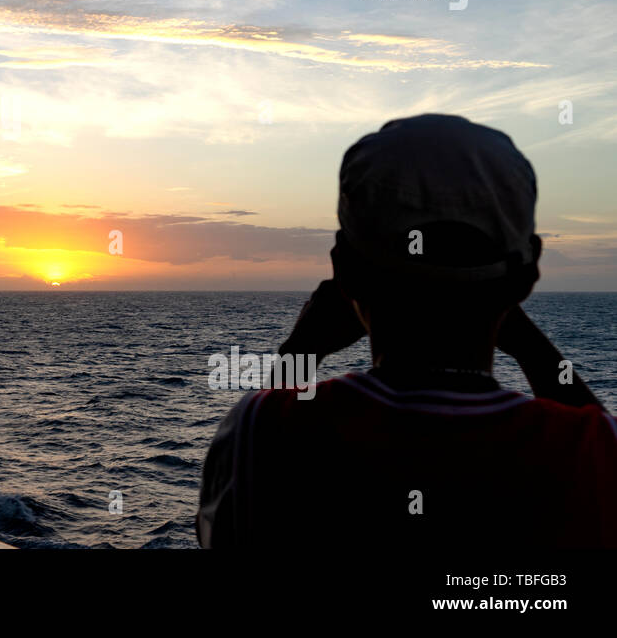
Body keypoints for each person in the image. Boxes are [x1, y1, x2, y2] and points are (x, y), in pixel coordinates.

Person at [196, 114, 617, 548]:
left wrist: (301, 350)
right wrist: (530, 346)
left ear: (343, 269)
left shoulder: (264, 432)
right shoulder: (586, 451)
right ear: (528, 275)